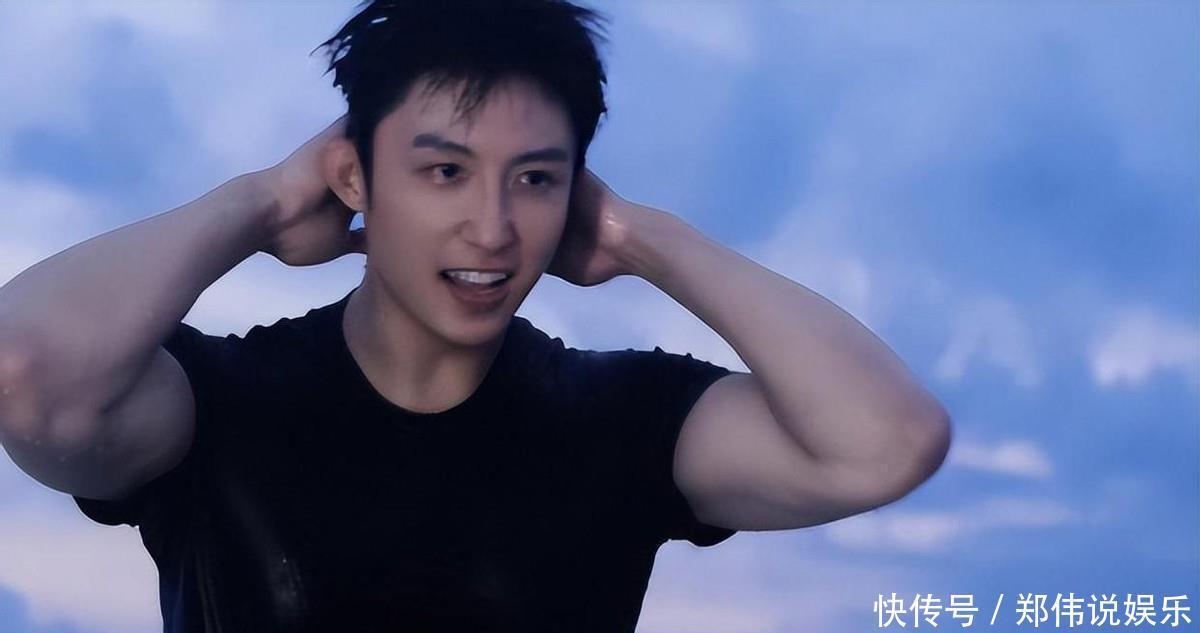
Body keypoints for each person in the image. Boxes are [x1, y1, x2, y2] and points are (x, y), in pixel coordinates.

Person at [0, 1, 952, 631]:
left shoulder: (622, 420)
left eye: (535, 179)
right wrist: (258, 202)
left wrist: (642, 238)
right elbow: (22, 372)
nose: (493, 228)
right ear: (354, 176)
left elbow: (887, 443)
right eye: (445, 171)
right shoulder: (219, 402)